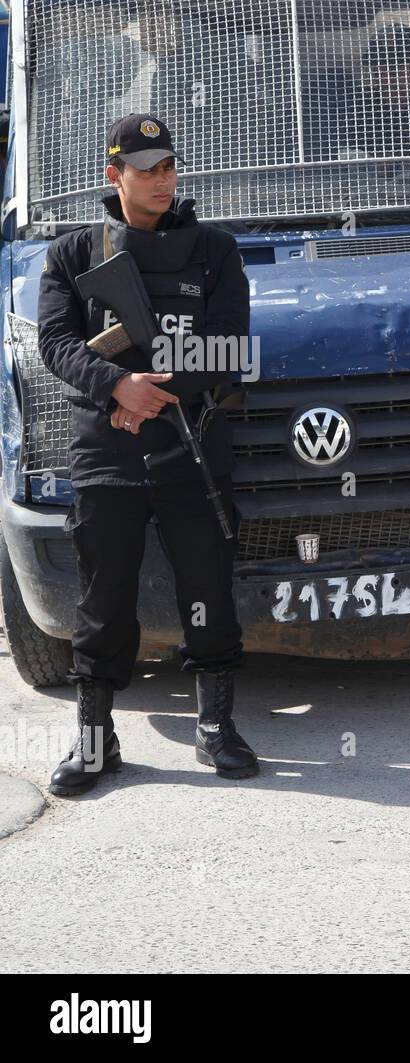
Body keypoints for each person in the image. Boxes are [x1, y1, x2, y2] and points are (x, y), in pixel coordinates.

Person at [38, 114, 256, 795]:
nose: (163, 179)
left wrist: (148, 394)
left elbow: (230, 345)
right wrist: (117, 388)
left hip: (190, 442)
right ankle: (96, 741)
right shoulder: (72, 255)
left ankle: (215, 727)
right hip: (109, 446)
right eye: (147, 168)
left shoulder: (216, 250)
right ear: (114, 175)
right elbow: (55, 343)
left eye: (169, 166)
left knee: (207, 589)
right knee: (104, 600)